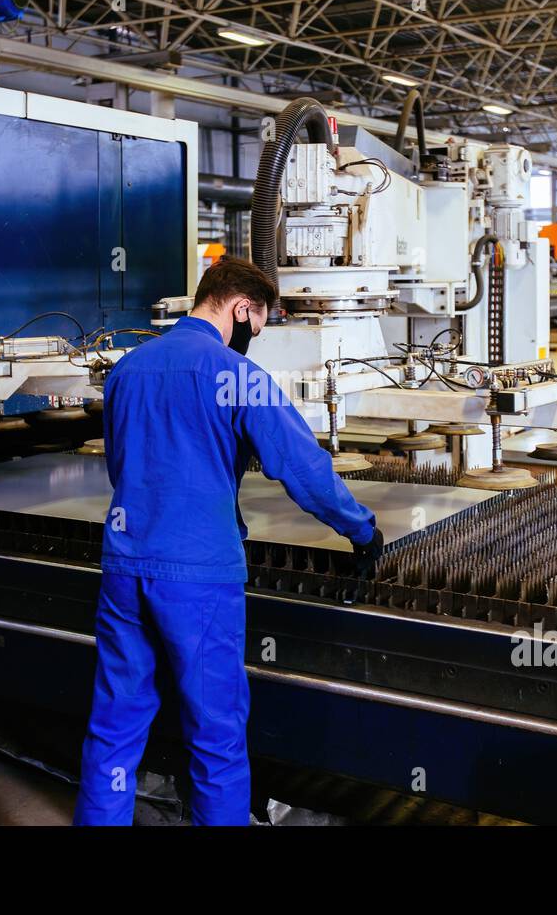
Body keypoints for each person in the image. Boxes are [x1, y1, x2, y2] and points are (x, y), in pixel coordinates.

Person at [74, 256, 383, 826]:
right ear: (243, 308)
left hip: (124, 565)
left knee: (114, 723)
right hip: (200, 574)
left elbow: (121, 465)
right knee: (214, 731)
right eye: (257, 326)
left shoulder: (128, 369)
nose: (251, 340)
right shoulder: (239, 377)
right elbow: (303, 469)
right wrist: (361, 530)